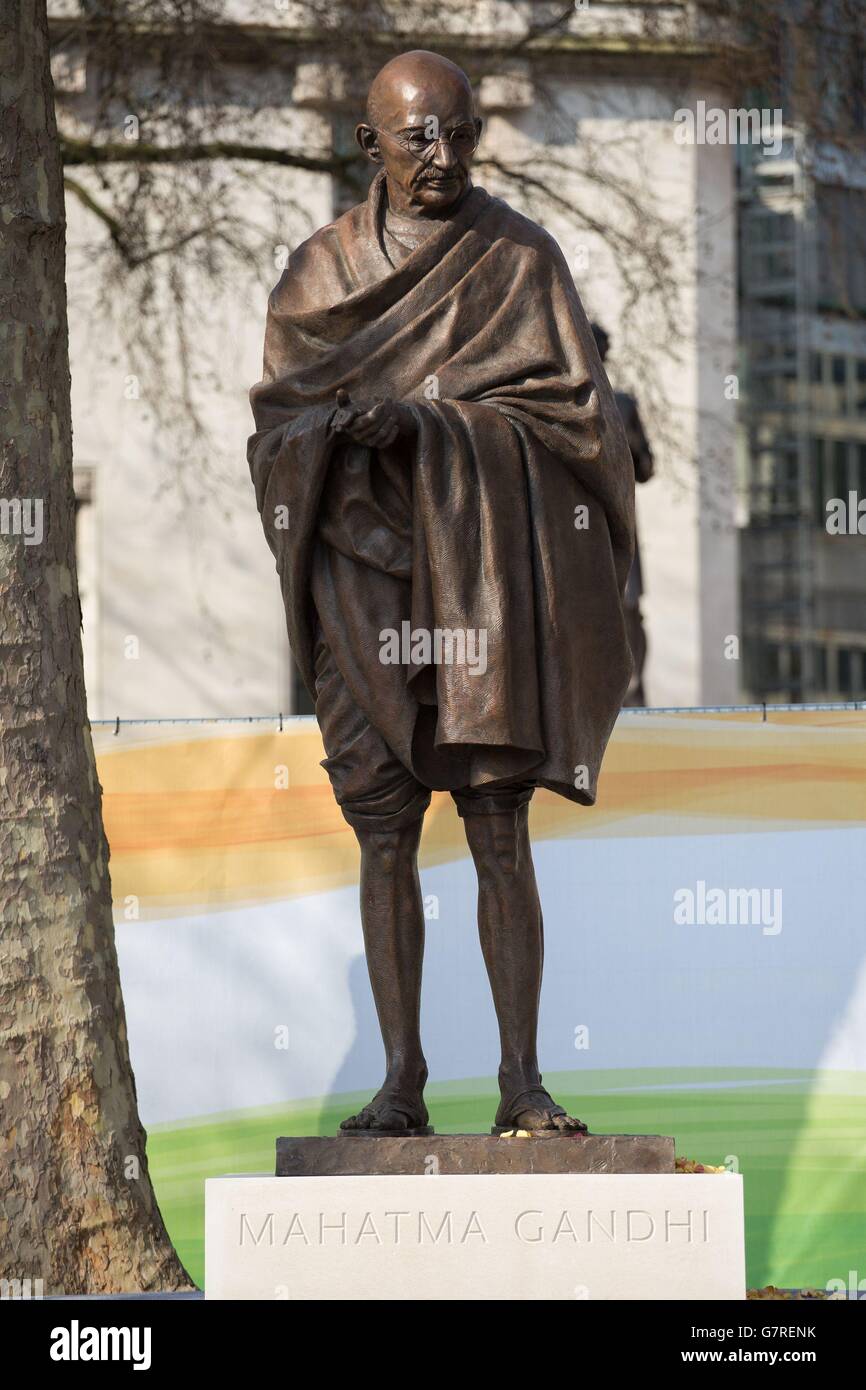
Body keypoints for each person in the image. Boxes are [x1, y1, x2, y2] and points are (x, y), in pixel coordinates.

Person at [249, 51, 634, 1134]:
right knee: (381, 830)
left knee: (495, 823)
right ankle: (399, 1084)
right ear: (366, 142)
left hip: (484, 585)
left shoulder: (518, 258)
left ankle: (523, 1084)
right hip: (364, 584)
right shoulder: (319, 272)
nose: (442, 154)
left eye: (459, 132)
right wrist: (340, 433)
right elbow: (276, 425)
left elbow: (581, 426)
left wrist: (429, 425)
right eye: (417, 136)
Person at [591, 323, 654, 706]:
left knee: (628, 608)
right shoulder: (555, 403)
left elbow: (646, 469)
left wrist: (628, 441)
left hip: (619, 524)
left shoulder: (623, 404)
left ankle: (633, 695)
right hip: (575, 527)